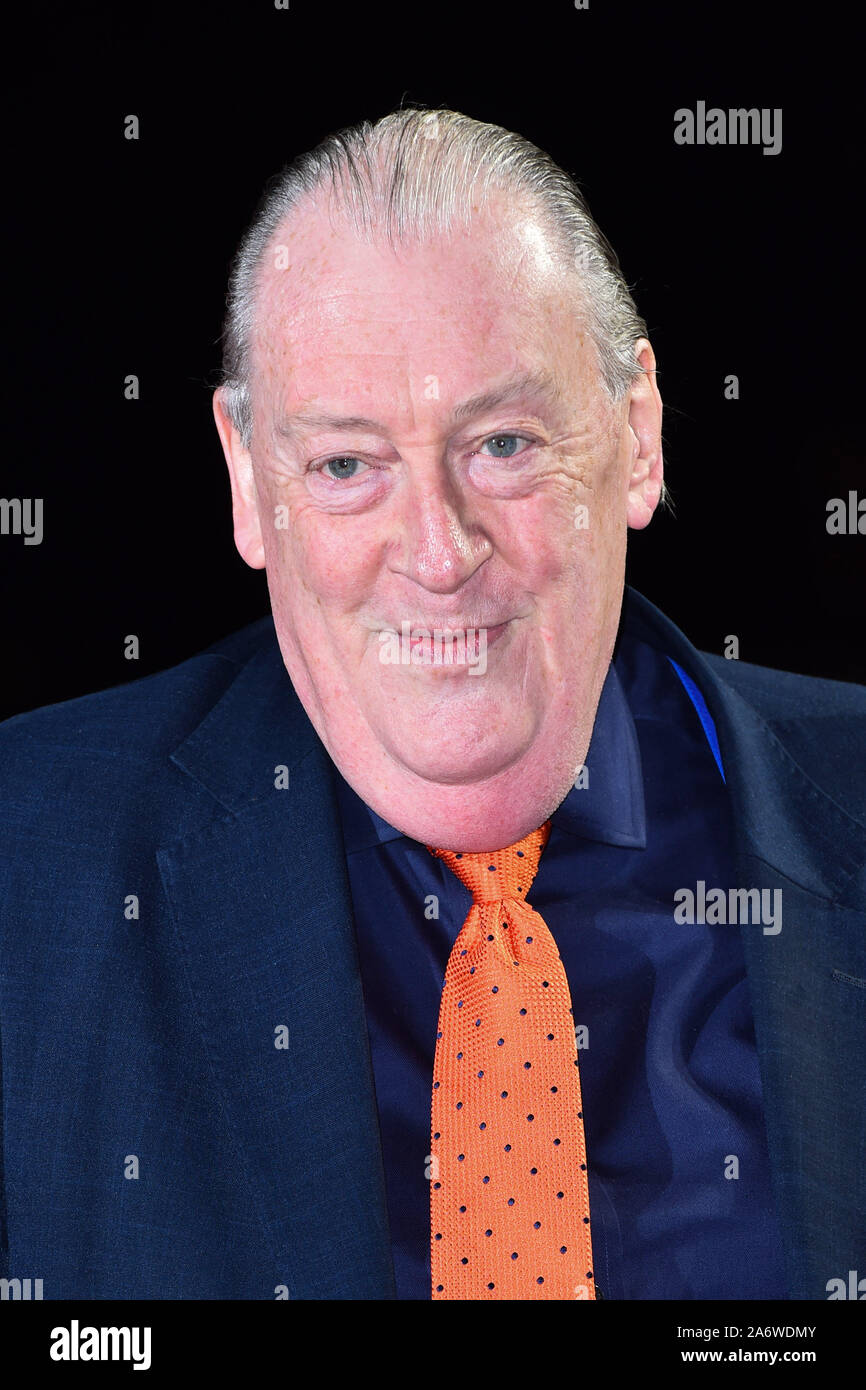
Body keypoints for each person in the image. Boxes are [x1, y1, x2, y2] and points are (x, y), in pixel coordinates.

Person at [1, 108, 863, 1302]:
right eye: (347, 465)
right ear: (249, 484)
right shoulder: (24, 867)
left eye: (502, 443)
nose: (439, 551)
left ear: (638, 432)